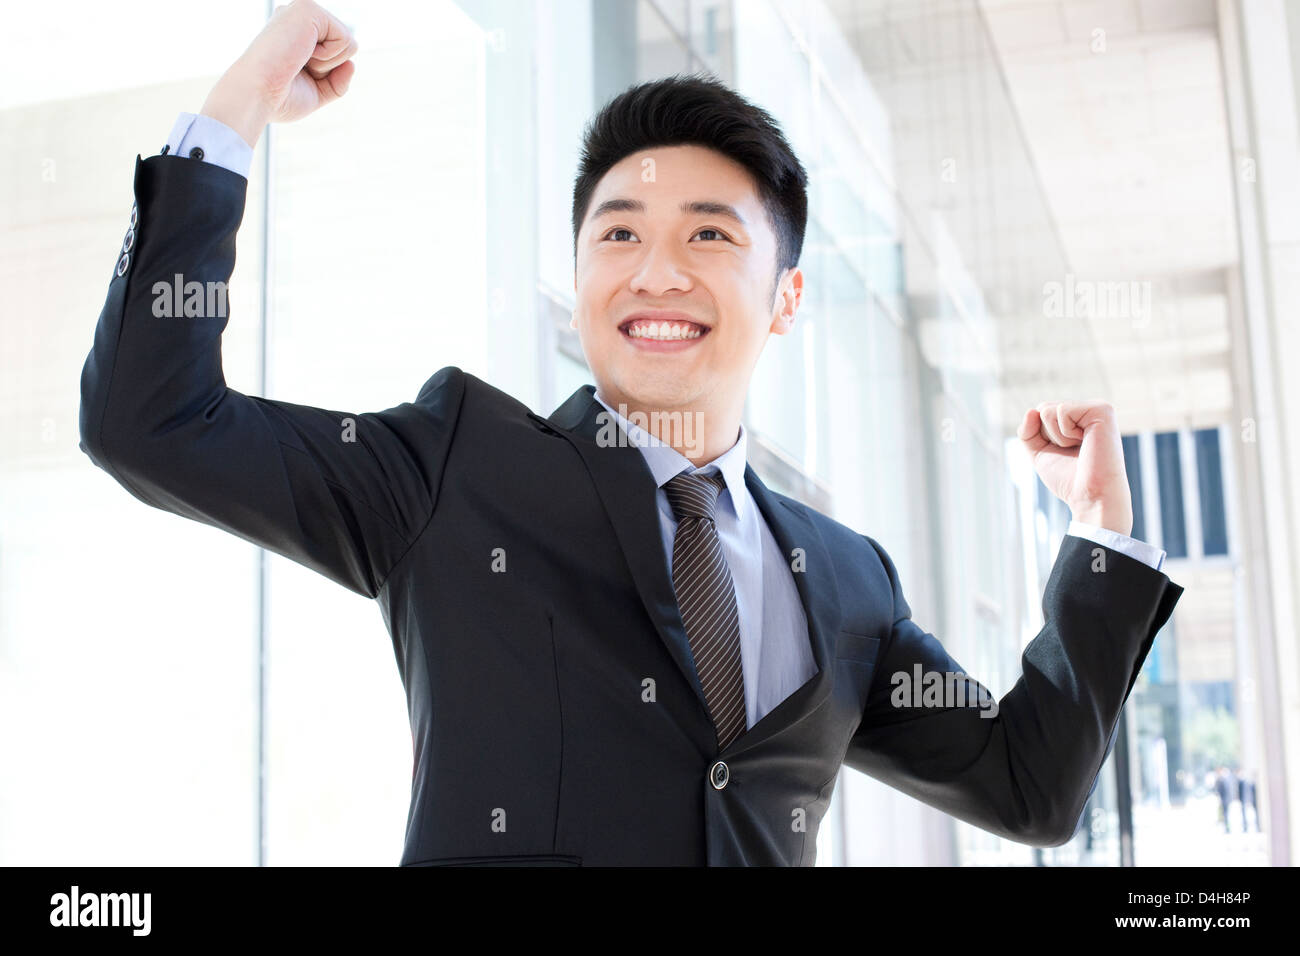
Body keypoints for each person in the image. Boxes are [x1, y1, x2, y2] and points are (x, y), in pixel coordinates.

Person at [77, 0, 1184, 866]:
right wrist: (247, 96)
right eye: (618, 233)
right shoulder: (453, 467)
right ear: (579, 272)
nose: (657, 270)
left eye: (708, 232)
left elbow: (1026, 785)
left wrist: (1101, 529)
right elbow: (153, 421)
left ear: (785, 297)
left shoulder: (846, 578)